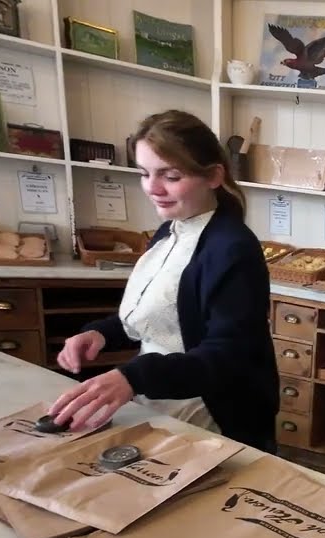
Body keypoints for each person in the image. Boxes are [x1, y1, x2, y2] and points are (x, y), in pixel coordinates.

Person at [47, 110, 280, 454]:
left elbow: (229, 355)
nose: (153, 189)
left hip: (215, 412)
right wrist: (100, 333)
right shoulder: (169, 230)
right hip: (161, 395)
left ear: (214, 175)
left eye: (170, 176)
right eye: (145, 173)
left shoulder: (232, 249)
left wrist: (134, 377)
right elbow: (162, 315)